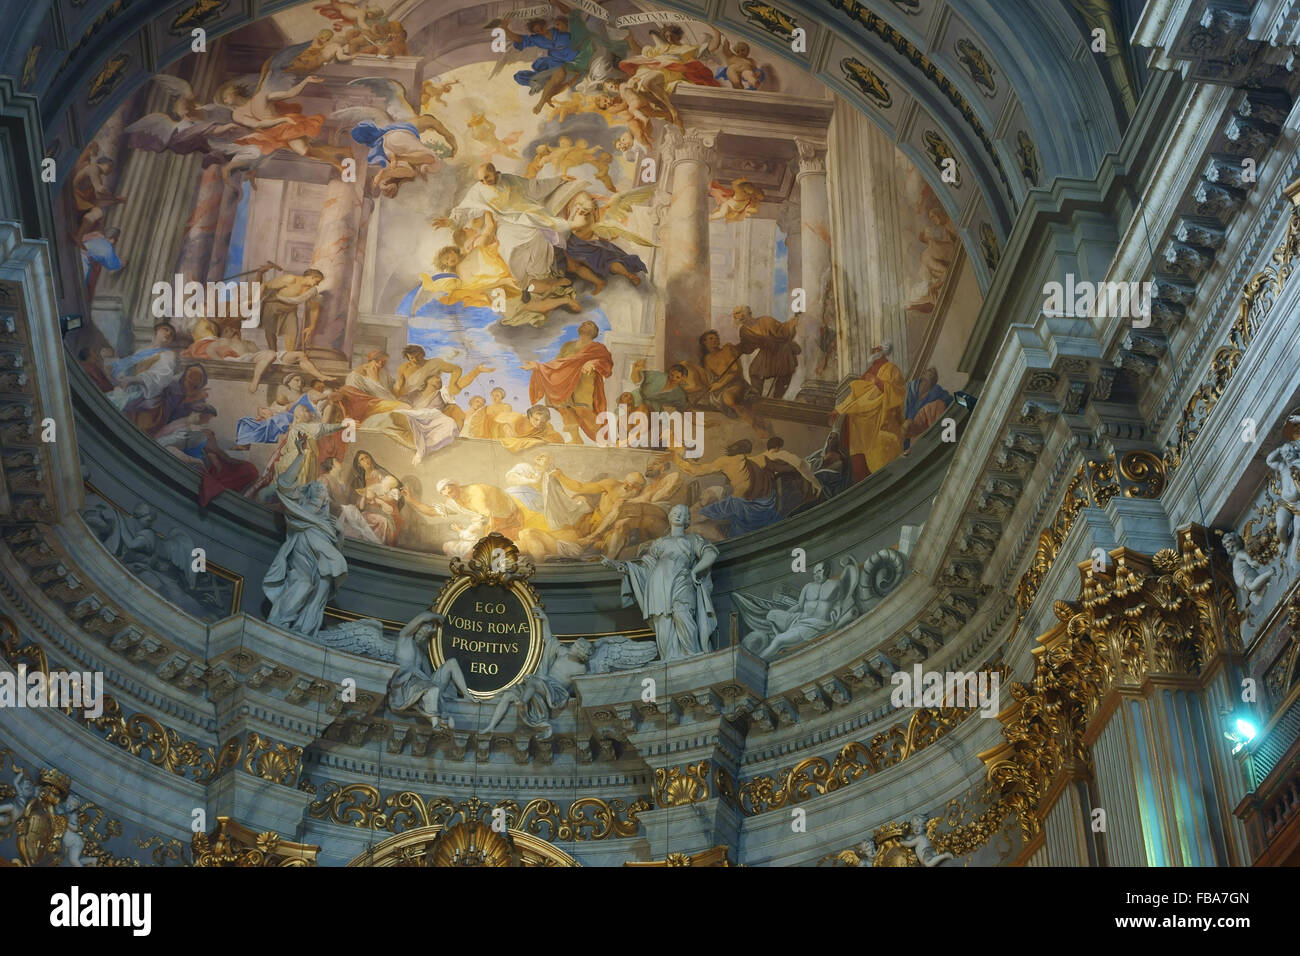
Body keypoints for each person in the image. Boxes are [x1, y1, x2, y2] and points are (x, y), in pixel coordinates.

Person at [602, 503, 718, 660]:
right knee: (663, 623)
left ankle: (693, 655)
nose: (678, 515)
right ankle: (669, 659)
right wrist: (622, 566)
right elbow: (645, 568)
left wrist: (695, 571)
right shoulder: (659, 543)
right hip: (658, 585)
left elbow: (711, 553)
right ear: (669, 517)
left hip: (682, 581)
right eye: (675, 512)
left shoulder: (692, 539)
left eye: (682, 513)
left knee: (683, 615)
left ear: (687, 520)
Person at [262, 447, 347, 639]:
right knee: (303, 583)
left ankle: (304, 630)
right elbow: (284, 483)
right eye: (317, 489)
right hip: (304, 546)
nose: (321, 492)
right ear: (309, 491)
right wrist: (300, 456)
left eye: (324, 491)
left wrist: (340, 534)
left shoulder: (328, 521)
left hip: (324, 555)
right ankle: (278, 623)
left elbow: (337, 548)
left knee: (320, 592)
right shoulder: (300, 505)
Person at [523, 320, 613, 442]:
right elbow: (557, 363)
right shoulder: (568, 346)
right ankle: (576, 439)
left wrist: (592, 363)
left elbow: (607, 362)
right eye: (584, 324)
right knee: (565, 411)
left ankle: (604, 440)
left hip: (583, 384)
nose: (586, 325)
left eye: (590, 325)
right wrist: (539, 367)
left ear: (595, 332)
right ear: (579, 328)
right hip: (564, 383)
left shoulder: (598, 348)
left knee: (583, 412)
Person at [834, 342, 905, 482]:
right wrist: (838, 410)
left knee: (878, 457)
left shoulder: (892, 369)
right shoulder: (868, 371)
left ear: (882, 352)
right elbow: (854, 395)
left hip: (879, 421)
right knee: (859, 462)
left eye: (876, 349)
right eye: (873, 349)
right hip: (861, 426)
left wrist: (877, 382)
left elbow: (899, 392)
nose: (872, 350)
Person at [734, 306, 799, 399]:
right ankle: (756, 396)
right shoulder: (744, 330)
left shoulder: (765, 320)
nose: (738, 316)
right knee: (755, 371)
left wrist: (791, 324)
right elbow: (749, 347)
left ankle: (777, 399)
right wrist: (740, 349)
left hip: (782, 351)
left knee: (784, 374)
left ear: (748, 313)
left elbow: (783, 331)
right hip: (766, 353)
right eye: (735, 314)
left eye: (740, 312)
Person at [903, 367, 951, 444]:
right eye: (929, 372)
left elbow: (950, 402)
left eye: (933, 376)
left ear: (934, 382)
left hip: (920, 433)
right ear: (923, 376)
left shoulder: (938, 393)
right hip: (904, 429)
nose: (932, 375)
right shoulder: (909, 388)